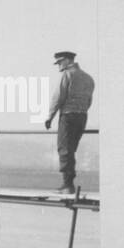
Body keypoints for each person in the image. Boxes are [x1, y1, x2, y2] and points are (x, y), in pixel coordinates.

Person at [44, 51, 95, 193]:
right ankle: (69, 183)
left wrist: (50, 117)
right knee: (71, 149)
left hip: (68, 116)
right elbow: (89, 101)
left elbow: (58, 98)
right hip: (82, 116)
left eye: (60, 62)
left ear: (67, 60)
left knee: (64, 149)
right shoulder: (88, 78)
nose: (59, 66)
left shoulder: (67, 75)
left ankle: (67, 185)